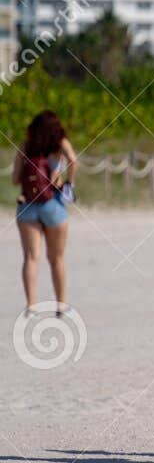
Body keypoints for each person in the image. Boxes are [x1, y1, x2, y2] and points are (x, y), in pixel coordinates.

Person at [12, 110, 77, 314]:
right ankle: (60, 304)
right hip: (53, 204)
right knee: (56, 258)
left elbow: (15, 179)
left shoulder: (26, 145)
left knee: (31, 257)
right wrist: (68, 182)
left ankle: (31, 305)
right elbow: (74, 160)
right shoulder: (60, 142)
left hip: (28, 205)